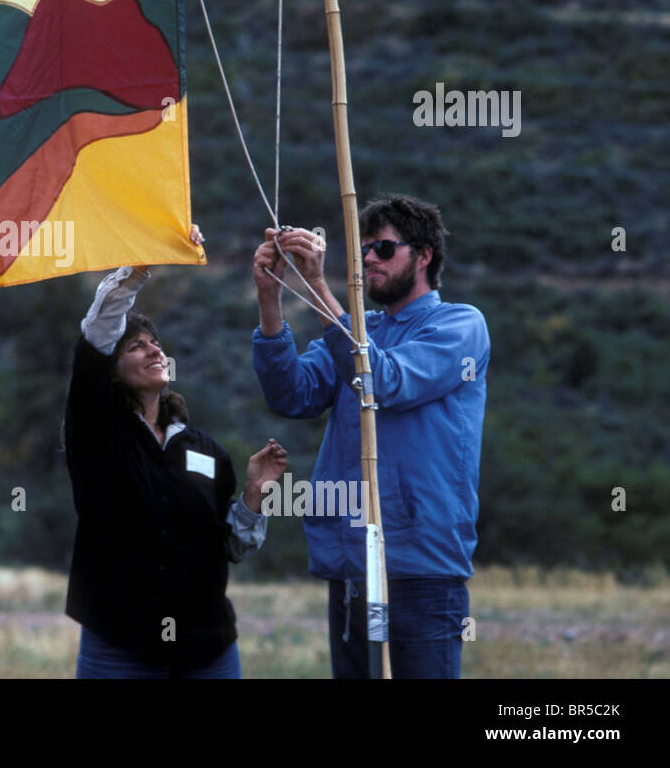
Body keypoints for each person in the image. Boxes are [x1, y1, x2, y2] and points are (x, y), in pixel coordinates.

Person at [250, 194, 490, 679]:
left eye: (383, 248)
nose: (368, 260)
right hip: (351, 565)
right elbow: (291, 394)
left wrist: (317, 284)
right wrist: (270, 297)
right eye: (363, 250)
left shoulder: (459, 324)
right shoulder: (365, 329)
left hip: (420, 568)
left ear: (423, 256)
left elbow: (383, 381)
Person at [64, 255, 288, 679]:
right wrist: (137, 270)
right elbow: (96, 338)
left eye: (155, 343)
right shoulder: (97, 433)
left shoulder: (207, 450)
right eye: (136, 346)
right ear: (112, 373)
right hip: (119, 643)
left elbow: (233, 548)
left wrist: (255, 495)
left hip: (208, 648)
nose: (154, 349)